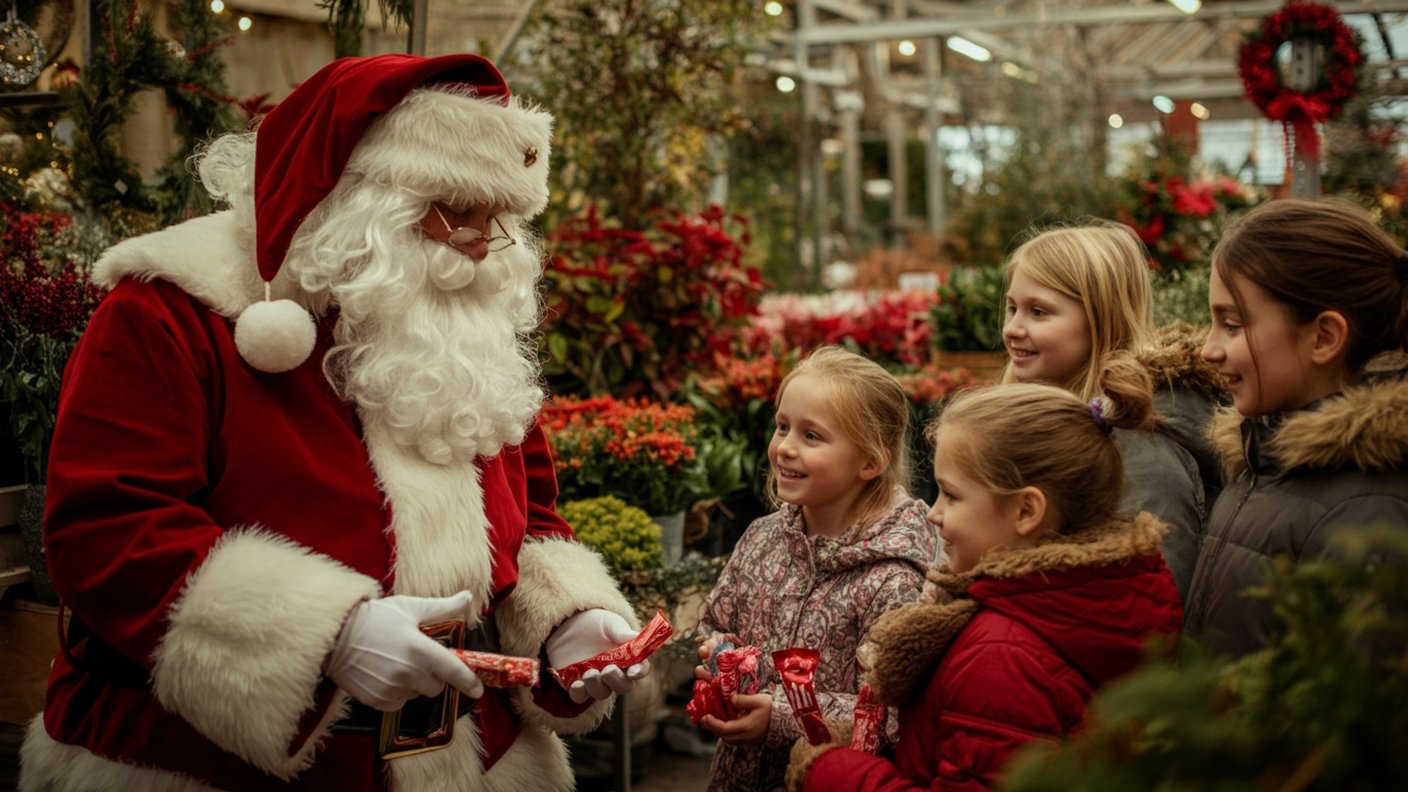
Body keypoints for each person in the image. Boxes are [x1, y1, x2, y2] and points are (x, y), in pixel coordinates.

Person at [20, 54, 651, 792]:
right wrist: (327, 633)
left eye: (502, 217)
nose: (483, 244)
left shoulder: (460, 328)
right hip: (205, 765)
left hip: (468, 756)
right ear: (356, 196)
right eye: (459, 210)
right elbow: (108, 530)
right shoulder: (170, 315)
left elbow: (530, 514)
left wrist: (566, 621)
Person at [787, 355, 1184, 791]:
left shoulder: (1002, 656)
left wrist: (833, 771)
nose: (933, 513)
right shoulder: (1076, 606)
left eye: (952, 496)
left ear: (1026, 511)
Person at [694, 346, 940, 792]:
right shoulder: (763, 536)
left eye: (812, 436)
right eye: (783, 427)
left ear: (870, 461)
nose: (785, 448)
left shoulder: (894, 580)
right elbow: (715, 622)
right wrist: (720, 659)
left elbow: (889, 715)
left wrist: (781, 718)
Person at [1184, 198, 1408, 658]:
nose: (1208, 348)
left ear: (1323, 337)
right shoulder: (1261, 458)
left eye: (1231, 324)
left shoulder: (1370, 510)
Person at [1000, 220, 1224, 600]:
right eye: (1011, 308)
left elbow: (1152, 605)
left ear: (1101, 319)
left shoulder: (1136, 453)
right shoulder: (1022, 422)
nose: (1012, 328)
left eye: (1039, 311)